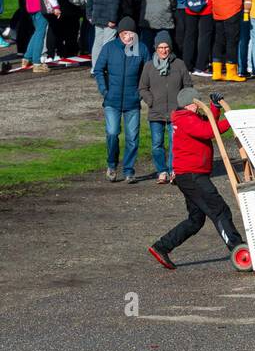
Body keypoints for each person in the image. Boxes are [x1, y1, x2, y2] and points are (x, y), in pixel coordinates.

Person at [147, 89, 244, 269]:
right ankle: (238, 248)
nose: (199, 106)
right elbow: (209, 131)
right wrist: (231, 121)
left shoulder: (190, 117)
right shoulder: (186, 119)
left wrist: (215, 108)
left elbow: (209, 124)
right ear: (190, 104)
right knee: (219, 210)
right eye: (197, 103)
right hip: (192, 176)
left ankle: (162, 246)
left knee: (196, 220)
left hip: (190, 175)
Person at [93, 17, 144, 183]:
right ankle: (112, 164)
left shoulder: (141, 49)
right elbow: (99, 69)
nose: (128, 36)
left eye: (130, 33)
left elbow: (147, 73)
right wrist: (104, 90)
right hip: (112, 101)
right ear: (119, 33)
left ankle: (129, 170)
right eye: (124, 33)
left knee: (132, 138)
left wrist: (141, 93)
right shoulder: (109, 48)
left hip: (132, 102)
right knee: (113, 133)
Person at [138, 31, 192, 182]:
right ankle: (162, 171)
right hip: (156, 112)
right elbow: (142, 88)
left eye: (166, 47)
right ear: (155, 48)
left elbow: (188, 86)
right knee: (157, 145)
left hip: (176, 113)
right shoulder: (149, 66)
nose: (163, 50)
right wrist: (151, 101)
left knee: (175, 144)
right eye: (160, 47)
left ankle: (174, 170)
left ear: (170, 48)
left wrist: (183, 105)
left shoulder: (179, 64)